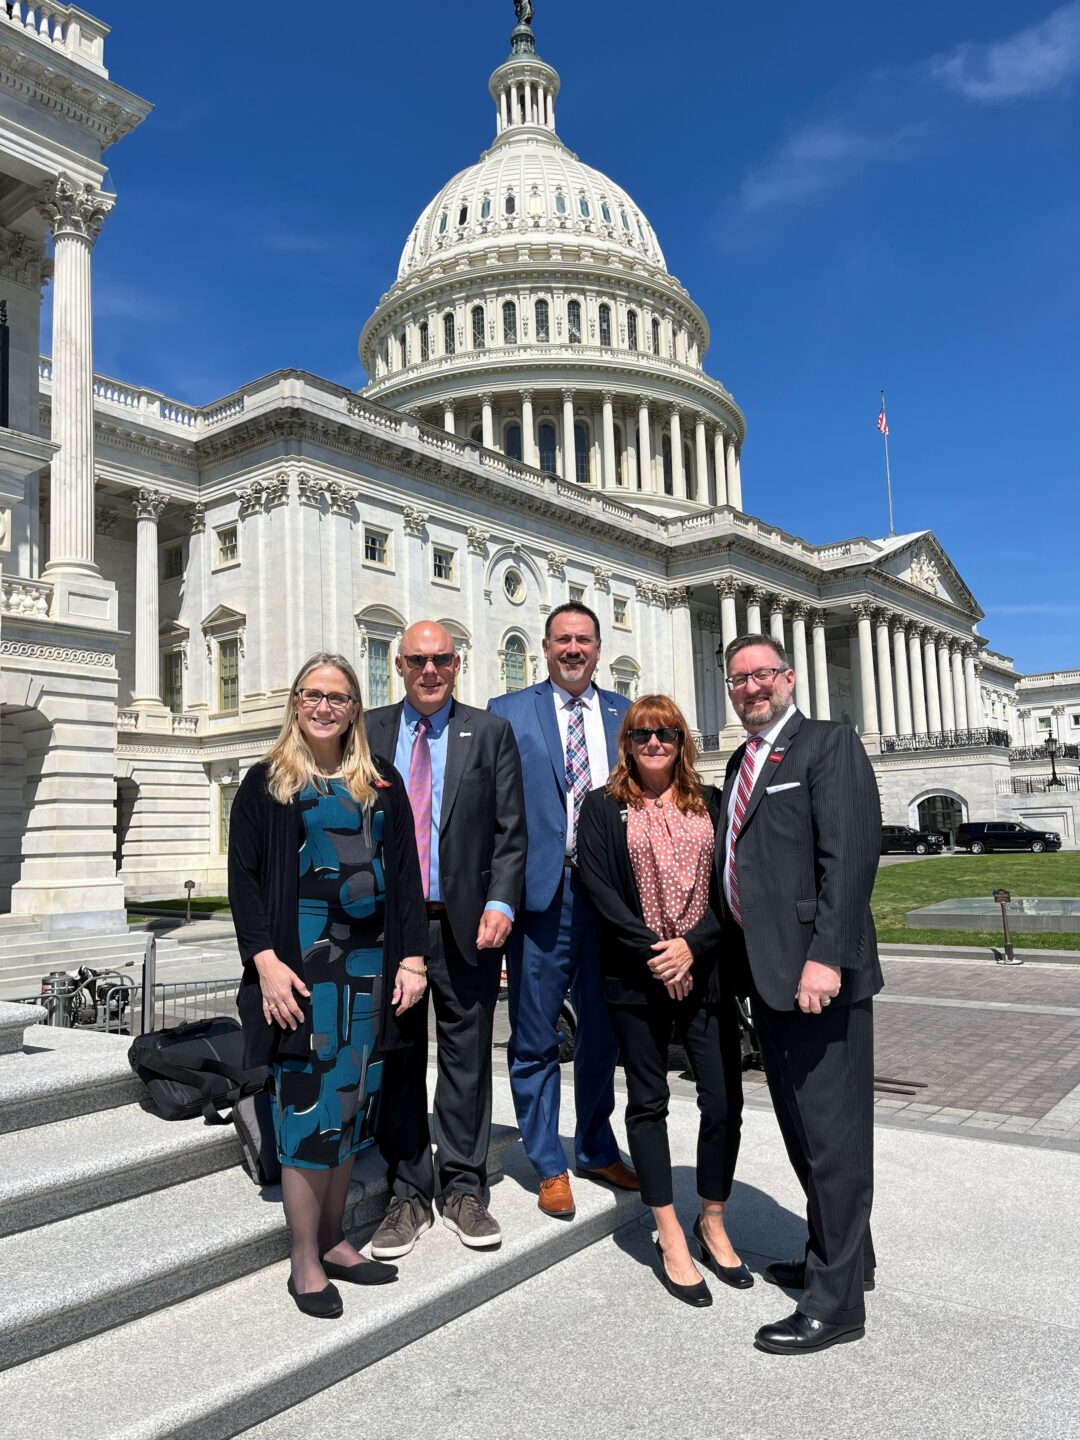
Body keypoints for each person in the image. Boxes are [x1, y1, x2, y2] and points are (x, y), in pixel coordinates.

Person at [229, 652, 429, 1319]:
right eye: (312, 695)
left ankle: (337, 1239)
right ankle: (305, 1260)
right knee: (307, 1111)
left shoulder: (380, 780)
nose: (324, 706)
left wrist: (412, 960)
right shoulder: (268, 782)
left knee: (351, 1105)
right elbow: (244, 881)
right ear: (296, 703)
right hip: (301, 970)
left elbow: (406, 878)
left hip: (369, 971)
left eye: (337, 697)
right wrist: (263, 961)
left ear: (354, 709)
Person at [716, 634, 883, 1353]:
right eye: (738, 679)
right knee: (806, 1135)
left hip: (818, 978)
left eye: (762, 674)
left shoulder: (828, 744)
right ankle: (843, 1259)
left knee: (833, 1141)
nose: (751, 687)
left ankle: (835, 1306)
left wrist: (826, 959)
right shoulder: (742, 761)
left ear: (788, 678)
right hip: (770, 978)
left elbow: (850, 859)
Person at [576, 696, 751, 1307]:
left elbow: (732, 887)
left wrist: (690, 949)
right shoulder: (602, 807)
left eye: (666, 733)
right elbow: (598, 887)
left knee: (723, 1101)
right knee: (648, 1103)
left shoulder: (712, 802)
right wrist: (659, 953)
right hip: (635, 973)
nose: (654, 743)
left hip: (705, 972)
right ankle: (669, 1232)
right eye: (642, 734)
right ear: (627, 742)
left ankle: (712, 1218)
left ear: (682, 741)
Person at [364, 621, 526, 1256]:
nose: (429, 671)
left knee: (467, 1060)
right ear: (399, 666)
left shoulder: (488, 732)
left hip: (465, 924)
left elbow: (511, 829)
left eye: (440, 660)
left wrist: (501, 900)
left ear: (457, 665)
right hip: (390, 928)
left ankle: (463, 1188)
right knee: (400, 1057)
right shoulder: (367, 732)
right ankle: (408, 1193)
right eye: (417, 660)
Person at [488, 602, 638, 1217]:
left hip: (610, 898)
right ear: (546, 648)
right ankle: (549, 1162)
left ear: (598, 649)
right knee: (535, 1032)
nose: (573, 649)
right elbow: (493, 811)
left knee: (604, 1031)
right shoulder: (507, 712)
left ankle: (596, 1146)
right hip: (541, 897)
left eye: (583, 640)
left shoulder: (627, 716)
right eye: (562, 640)